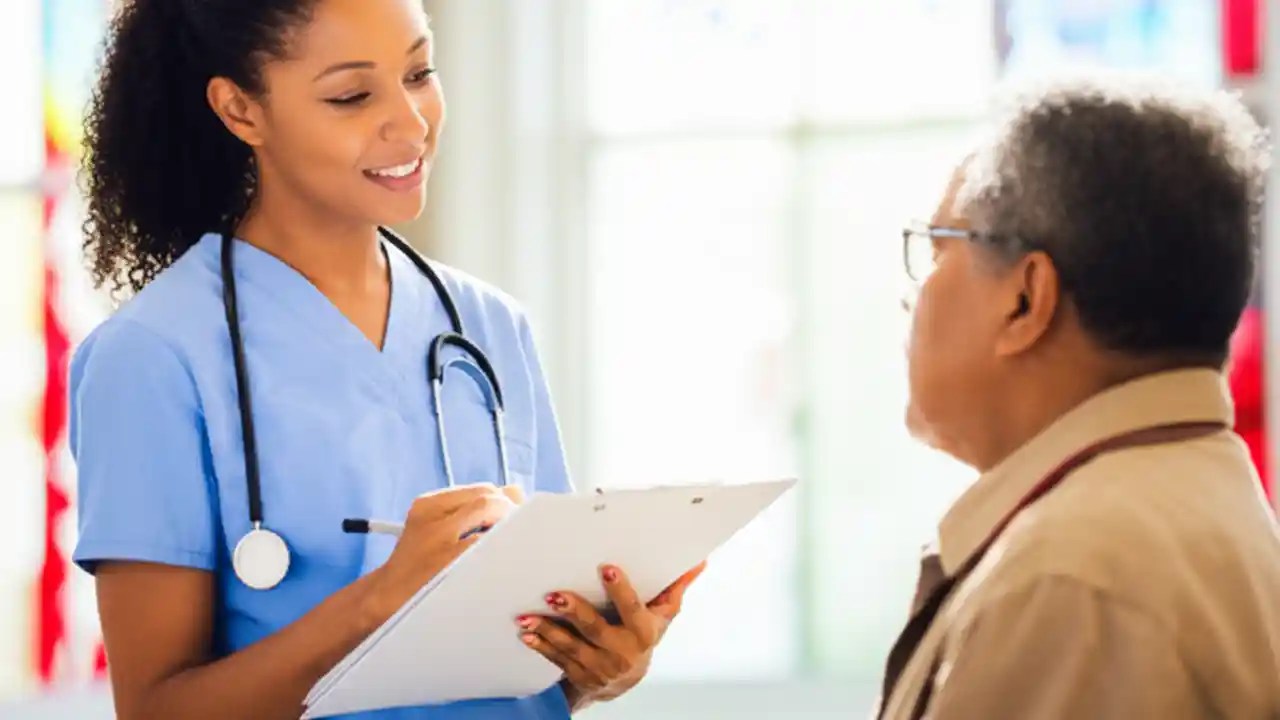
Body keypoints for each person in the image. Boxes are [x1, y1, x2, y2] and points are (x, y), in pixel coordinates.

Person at [70, 1, 699, 718]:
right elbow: (156, 711)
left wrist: (596, 668)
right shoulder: (152, 357)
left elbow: (527, 666)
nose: (412, 122)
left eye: (420, 72)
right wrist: (376, 603)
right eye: (352, 95)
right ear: (241, 110)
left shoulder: (490, 328)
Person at [880, 78, 1280, 719]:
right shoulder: (1188, 493)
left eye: (936, 250)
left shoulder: (1070, 578)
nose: (912, 295)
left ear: (1025, 299)